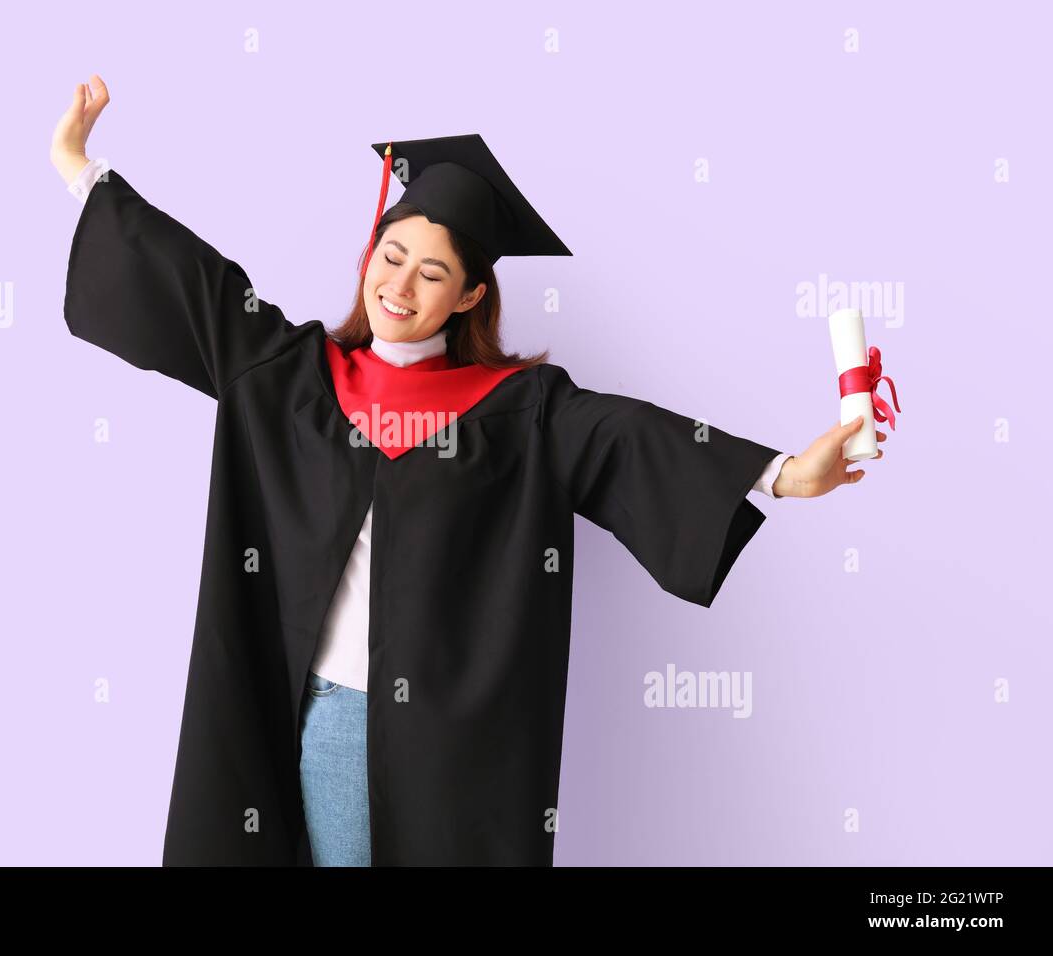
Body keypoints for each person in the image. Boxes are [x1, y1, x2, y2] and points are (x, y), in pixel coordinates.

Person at [51, 75, 886, 867]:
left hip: (450, 746)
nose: (400, 284)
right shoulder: (295, 376)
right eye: (392, 251)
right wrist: (80, 170)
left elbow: (632, 438)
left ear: (472, 296)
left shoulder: (519, 412)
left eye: (433, 270)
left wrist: (783, 473)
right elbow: (197, 285)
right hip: (323, 717)